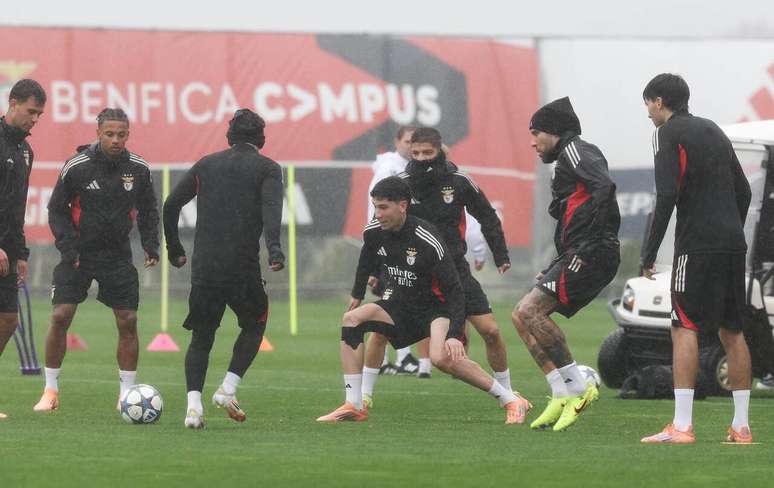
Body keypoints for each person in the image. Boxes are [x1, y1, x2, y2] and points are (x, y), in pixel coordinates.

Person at [317, 176, 530, 423]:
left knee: (442, 358)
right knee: (352, 320)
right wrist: (357, 293)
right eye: (375, 206)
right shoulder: (374, 231)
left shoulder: (427, 239)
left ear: (403, 206)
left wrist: (454, 334)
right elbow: (367, 258)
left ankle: (511, 400)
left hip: (435, 309)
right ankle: (354, 405)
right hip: (400, 304)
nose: (378, 213)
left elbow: (454, 290)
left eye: (383, 207)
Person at [639, 74, 753, 444]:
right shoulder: (715, 130)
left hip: (697, 245)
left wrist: (649, 251)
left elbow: (666, 195)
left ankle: (683, 426)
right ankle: (741, 427)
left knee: (683, 326)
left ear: (658, 102)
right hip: (733, 243)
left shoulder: (666, 133)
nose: (648, 114)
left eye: (648, 105)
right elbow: (745, 190)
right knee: (732, 331)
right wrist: (728, 227)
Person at [163, 108, 285, 429]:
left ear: (229, 137)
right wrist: (274, 250)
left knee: (202, 338)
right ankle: (227, 389)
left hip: (205, 269)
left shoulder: (207, 164)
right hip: (241, 268)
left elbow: (171, 205)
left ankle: (193, 408)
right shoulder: (268, 169)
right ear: (262, 139)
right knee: (255, 324)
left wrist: (174, 247)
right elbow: (272, 214)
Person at [372, 128, 515, 400]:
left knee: (491, 331)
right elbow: (384, 227)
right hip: (414, 273)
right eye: (416, 153)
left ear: (440, 150)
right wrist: (379, 269)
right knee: (379, 328)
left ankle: (507, 391)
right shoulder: (402, 185)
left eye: (428, 153)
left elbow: (487, 215)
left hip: (455, 271)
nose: (422, 159)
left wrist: (500, 253)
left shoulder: (458, 181)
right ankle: (359, 401)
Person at [34, 108, 159, 412]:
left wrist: (151, 246)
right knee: (61, 316)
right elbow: (56, 210)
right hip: (77, 254)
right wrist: (68, 248)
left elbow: (149, 210)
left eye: (122, 134)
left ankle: (126, 395)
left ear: (128, 134)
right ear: (98, 133)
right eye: (110, 134)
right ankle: (50, 390)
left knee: (128, 321)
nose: (116, 140)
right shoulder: (77, 166)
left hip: (117, 255)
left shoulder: (139, 168)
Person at [511, 97, 620, 431]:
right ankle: (560, 392)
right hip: (577, 252)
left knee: (532, 311)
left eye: (536, 133)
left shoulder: (576, 150)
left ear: (555, 132)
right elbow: (576, 215)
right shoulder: (566, 162)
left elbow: (605, 188)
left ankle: (578, 387)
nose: (532, 141)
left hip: (593, 251)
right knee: (519, 315)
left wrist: (590, 243)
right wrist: (559, 260)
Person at [0, 79, 46, 420]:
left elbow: (16, 209)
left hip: (7, 252)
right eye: (31, 111)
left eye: (39, 114)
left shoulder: (26, 151)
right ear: (12, 103)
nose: (34, 119)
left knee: (8, 321)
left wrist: (20, 254)